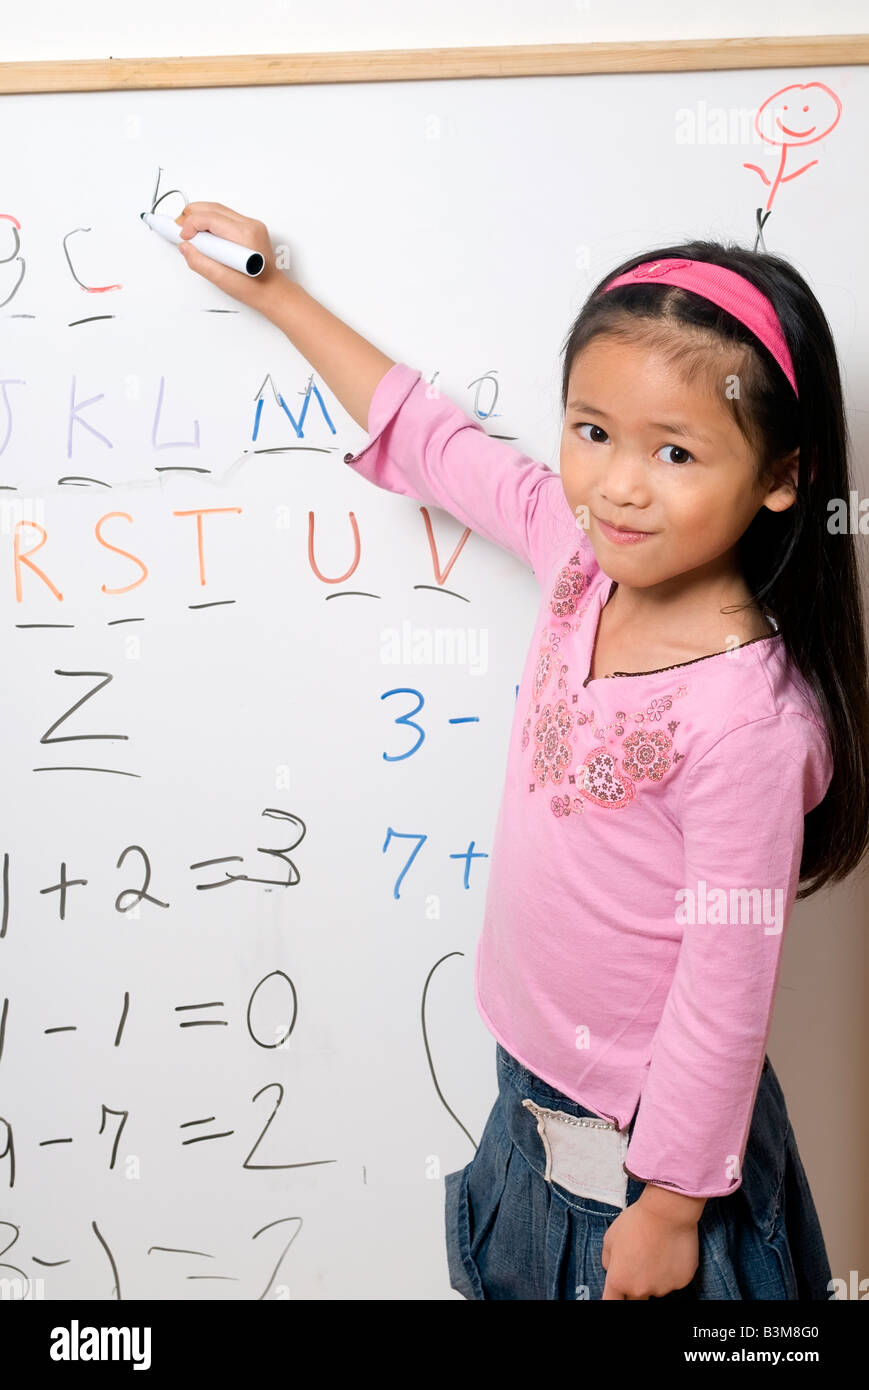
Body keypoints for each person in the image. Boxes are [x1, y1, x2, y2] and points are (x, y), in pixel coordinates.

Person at [173, 206, 869, 1300]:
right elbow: (436, 447)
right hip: (531, 1091)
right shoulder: (578, 565)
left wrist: (671, 1209)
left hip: (655, 1155)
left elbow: (722, 993)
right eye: (591, 432)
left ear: (780, 476)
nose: (616, 485)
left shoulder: (747, 721)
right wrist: (277, 293)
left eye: (674, 452)